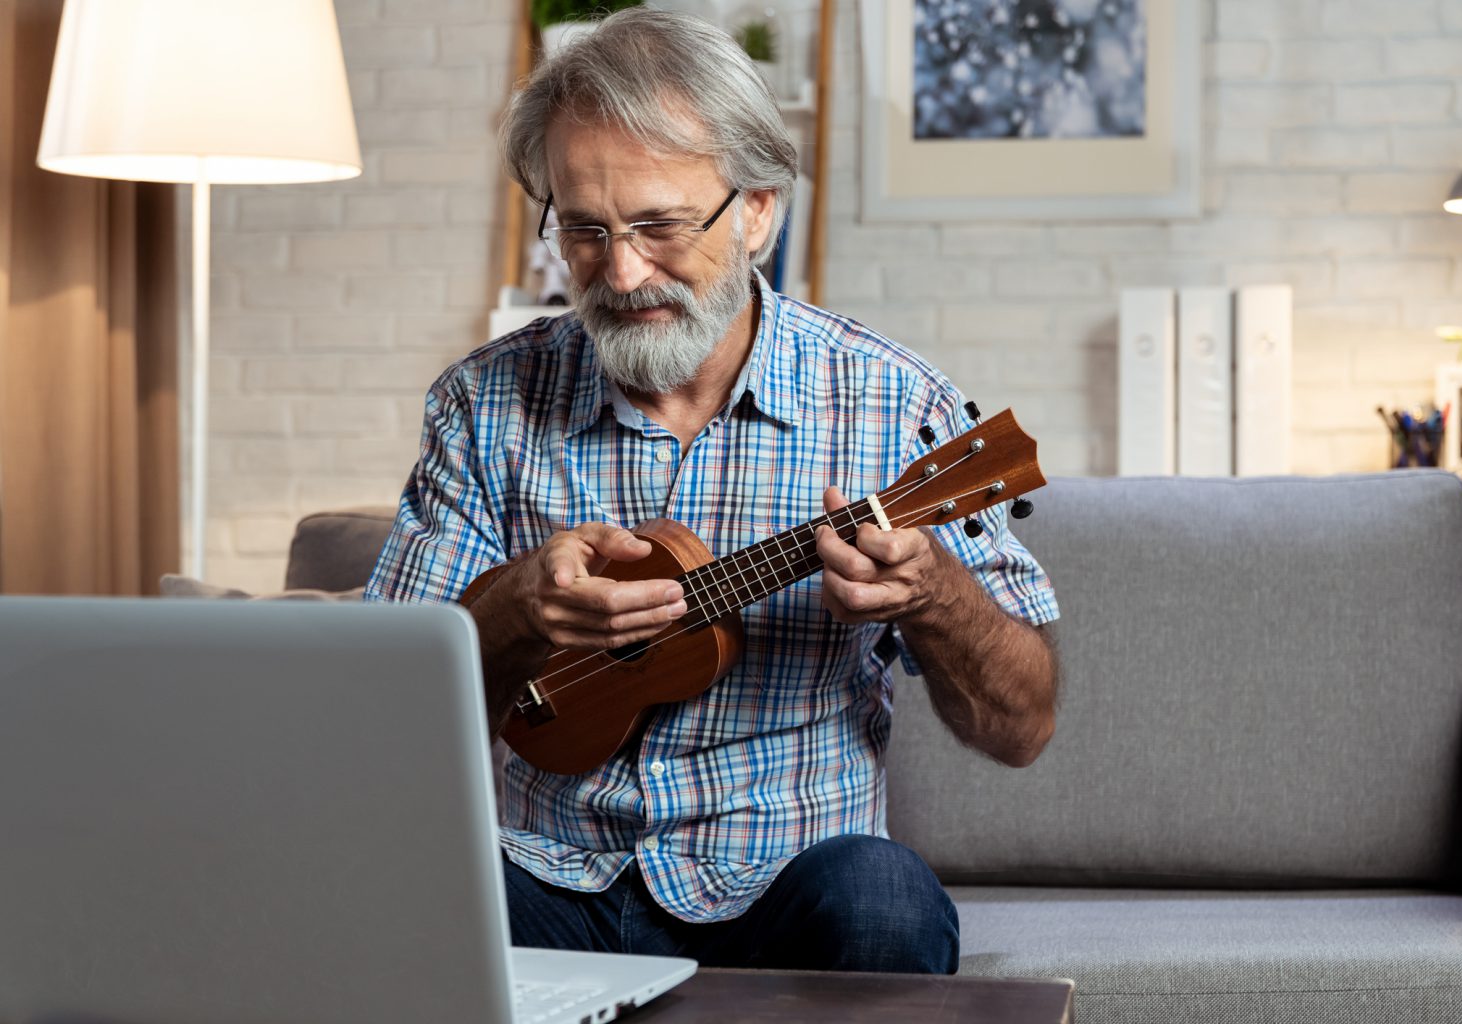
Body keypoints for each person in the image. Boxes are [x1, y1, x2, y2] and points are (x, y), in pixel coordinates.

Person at [364, 8, 1059, 975]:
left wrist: (937, 595)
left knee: (885, 900)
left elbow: (1021, 728)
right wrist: (518, 608)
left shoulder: (896, 404)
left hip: (783, 882)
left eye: (659, 225)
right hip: (546, 879)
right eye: (585, 230)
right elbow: (378, 721)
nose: (621, 271)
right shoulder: (483, 403)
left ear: (759, 210)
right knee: (380, 888)